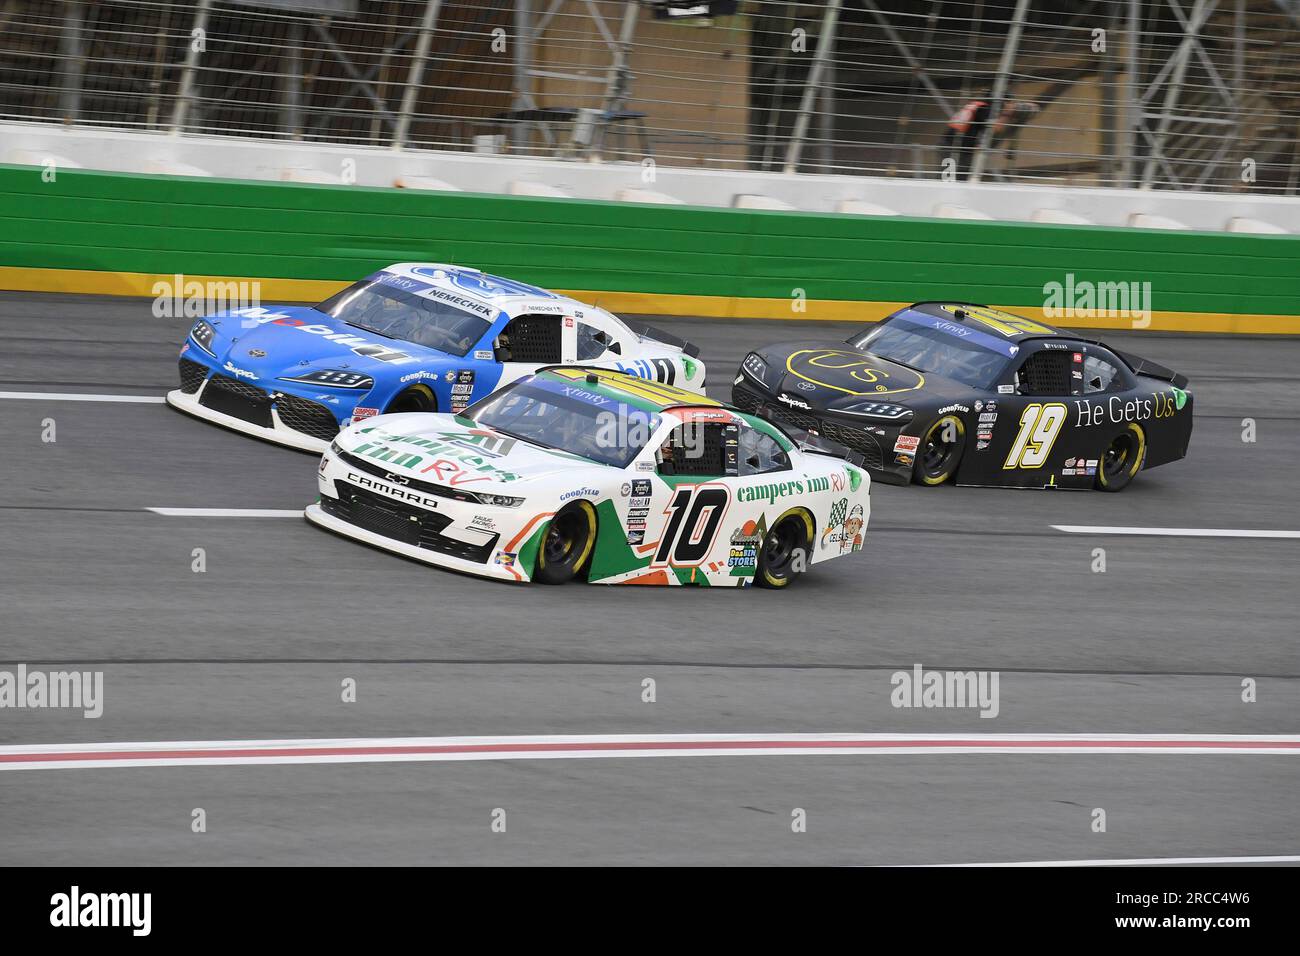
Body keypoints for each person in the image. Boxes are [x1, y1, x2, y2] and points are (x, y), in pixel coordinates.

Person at [939, 97, 1039, 181]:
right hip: (954, 148)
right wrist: (1007, 114)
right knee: (950, 179)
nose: (1012, 105)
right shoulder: (985, 108)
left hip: (954, 145)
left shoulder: (976, 105)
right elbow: (995, 127)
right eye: (1009, 102)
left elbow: (977, 127)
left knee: (955, 177)